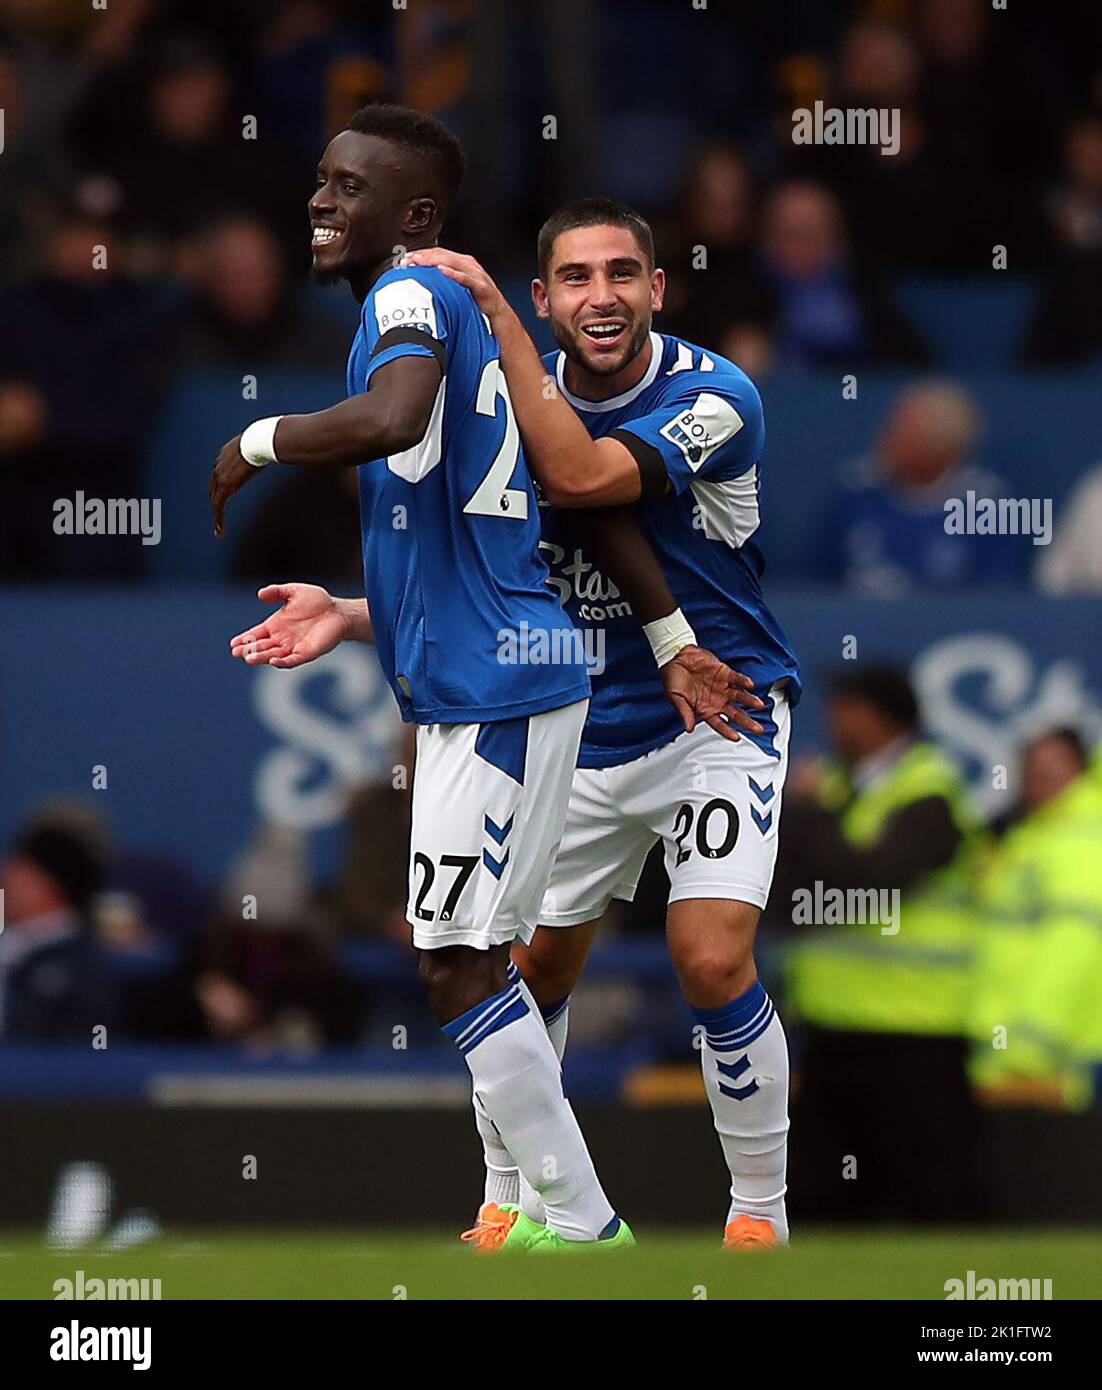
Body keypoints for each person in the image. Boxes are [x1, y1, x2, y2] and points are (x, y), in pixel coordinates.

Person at [213, 107, 755, 1250]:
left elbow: (388, 417)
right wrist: (355, 613)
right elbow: (562, 505)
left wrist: (260, 440)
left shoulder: (410, 298)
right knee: (481, 963)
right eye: (319, 178)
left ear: (413, 215)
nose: (319, 200)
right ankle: (536, 1210)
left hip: (492, 690)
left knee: (455, 964)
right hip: (509, 677)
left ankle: (582, 1220)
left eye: (346, 185)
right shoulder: (465, 324)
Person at [779, 666, 985, 1223]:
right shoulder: (842, 789)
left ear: (881, 716)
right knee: (823, 1194)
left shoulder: (929, 789)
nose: (833, 719)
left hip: (916, 1027)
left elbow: (874, 878)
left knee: (936, 1190)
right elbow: (793, 889)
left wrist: (808, 816)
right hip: (835, 1024)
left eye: (848, 705)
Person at [969, 727, 1102, 1111]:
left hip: (1049, 1069)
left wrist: (1028, 1045)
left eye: (1053, 766)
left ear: (1081, 769)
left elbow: (1074, 945)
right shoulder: (1031, 837)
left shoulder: (1077, 840)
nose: (1039, 776)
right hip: (1024, 1061)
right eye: (1031, 766)